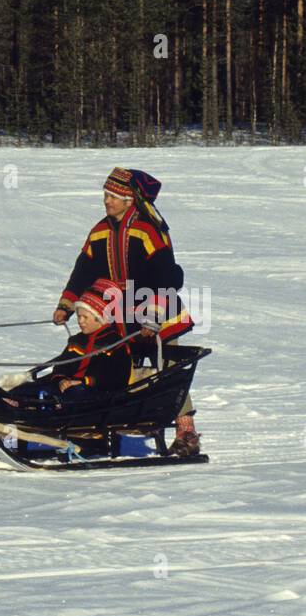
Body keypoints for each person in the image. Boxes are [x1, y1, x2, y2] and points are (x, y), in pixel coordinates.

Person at [53, 167, 199, 456]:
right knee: (117, 368)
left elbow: (166, 278)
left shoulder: (147, 231)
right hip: (121, 317)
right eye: (105, 195)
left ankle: (186, 432)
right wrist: (66, 305)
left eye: (113, 196)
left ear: (129, 199)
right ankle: (117, 421)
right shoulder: (99, 231)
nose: (106, 201)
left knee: (168, 373)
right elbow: (82, 271)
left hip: (161, 313)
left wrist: (153, 317)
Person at [4, 277, 132, 412]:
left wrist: (85, 381)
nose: (80, 321)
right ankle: (12, 399)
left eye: (85, 317)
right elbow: (62, 364)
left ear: (101, 318)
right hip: (67, 386)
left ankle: (47, 407)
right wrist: (61, 379)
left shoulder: (116, 344)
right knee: (32, 386)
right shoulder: (77, 341)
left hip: (96, 392)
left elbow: (115, 378)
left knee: (75, 393)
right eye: (78, 316)